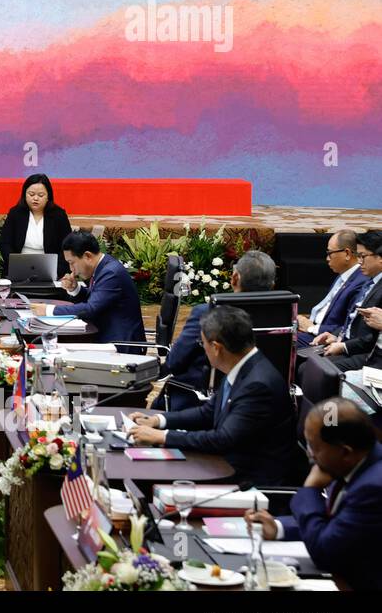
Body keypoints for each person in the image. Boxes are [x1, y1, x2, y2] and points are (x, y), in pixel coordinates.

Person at [128, 305, 303, 487]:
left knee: (146, 476)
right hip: (225, 464)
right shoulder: (242, 365)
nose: (203, 349)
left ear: (216, 347)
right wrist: (158, 420)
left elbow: (222, 440)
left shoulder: (257, 385)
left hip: (248, 482)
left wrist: (162, 437)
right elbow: (208, 413)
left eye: (203, 344)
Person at [246, 397, 382, 592]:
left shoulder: (373, 487)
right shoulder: (356, 461)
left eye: (314, 447)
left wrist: (310, 489)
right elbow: (338, 527)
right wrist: (278, 527)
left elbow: (325, 551)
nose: (310, 455)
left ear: (345, 452)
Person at [158, 251, 276, 410]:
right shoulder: (283, 316)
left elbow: (175, 362)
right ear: (273, 285)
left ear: (234, 278)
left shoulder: (206, 313)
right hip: (265, 401)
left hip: (201, 402)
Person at [41, 230, 146, 347]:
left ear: (87, 256)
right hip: (105, 335)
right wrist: (75, 288)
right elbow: (96, 298)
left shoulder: (110, 273)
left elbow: (90, 309)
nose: (71, 269)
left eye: (72, 262)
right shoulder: (104, 265)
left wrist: (49, 311)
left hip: (120, 344)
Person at [310, 229, 382, 371]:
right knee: (306, 362)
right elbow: (351, 321)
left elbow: (369, 338)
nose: (359, 261)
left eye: (363, 256)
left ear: (380, 257)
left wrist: (343, 346)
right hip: (348, 343)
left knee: (313, 369)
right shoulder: (370, 281)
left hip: (366, 354)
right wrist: (336, 336)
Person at [296, 231, 366, 349]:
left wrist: (311, 328)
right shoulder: (344, 275)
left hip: (325, 338)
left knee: (277, 340)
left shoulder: (360, 283)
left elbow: (348, 325)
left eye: (330, 253)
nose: (327, 258)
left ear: (347, 253)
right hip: (312, 327)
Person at [0, 174, 73, 281]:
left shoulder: (58, 215)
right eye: (31, 194)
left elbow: (67, 246)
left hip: (52, 271)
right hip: (17, 270)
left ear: (48, 196)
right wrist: (15, 265)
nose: (35, 198)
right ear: (25, 194)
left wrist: (57, 271)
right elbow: (5, 243)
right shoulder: (15, 213)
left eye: (41, 195)